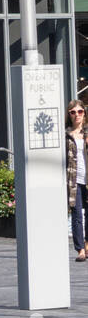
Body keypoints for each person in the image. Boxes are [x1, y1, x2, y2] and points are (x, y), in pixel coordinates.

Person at [66, 100, 87, 262]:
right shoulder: (66, 135)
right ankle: (80, 249)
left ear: (84, 114)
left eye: (80, 111)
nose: (77, 115)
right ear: (69, 115)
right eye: (73, 112)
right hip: (74, 179)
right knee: (77, 215)